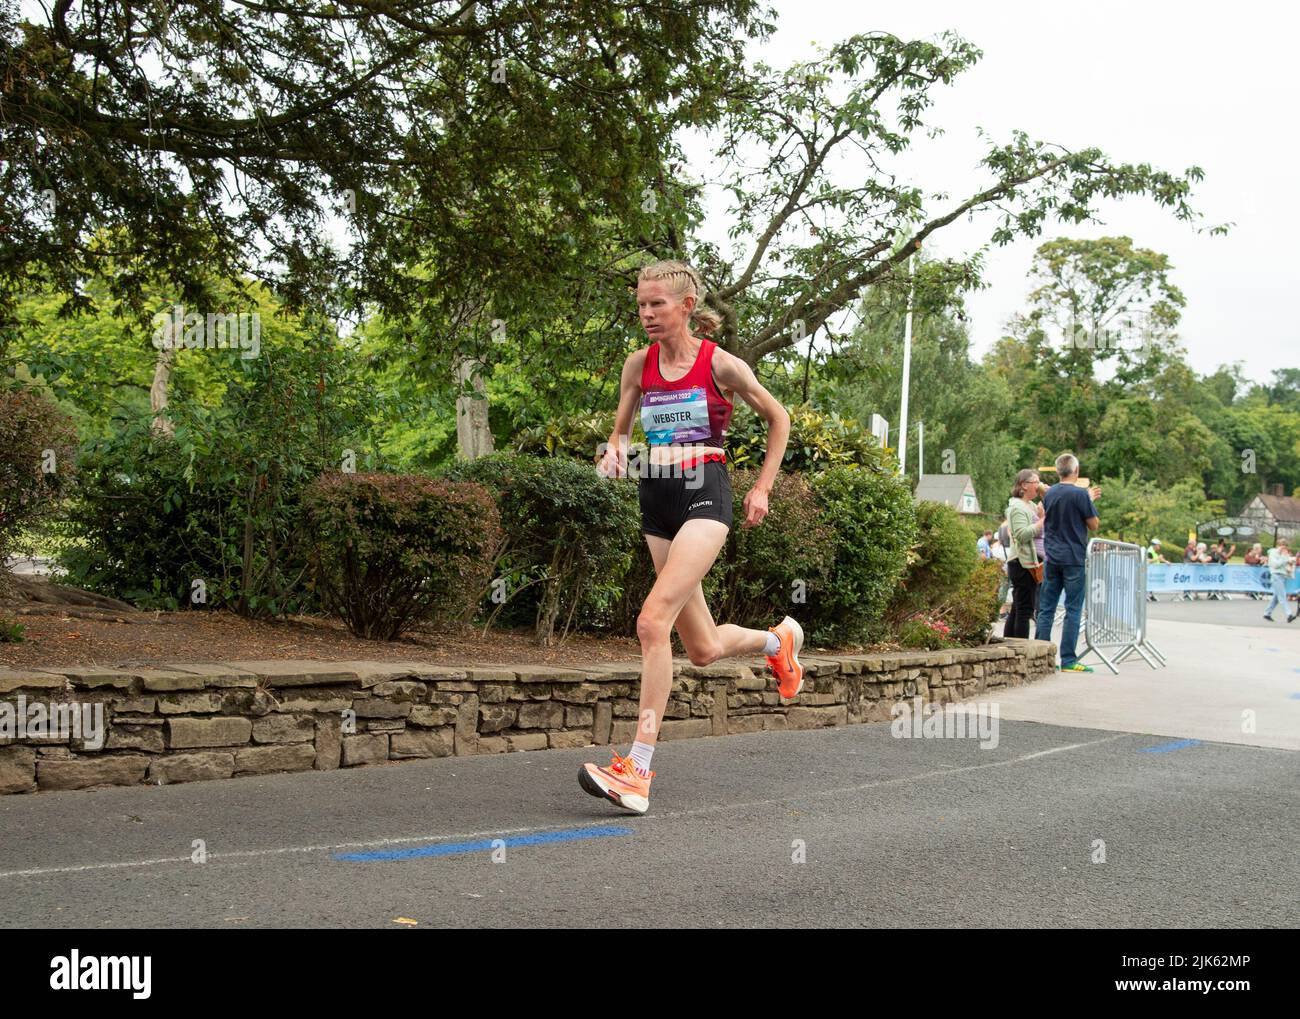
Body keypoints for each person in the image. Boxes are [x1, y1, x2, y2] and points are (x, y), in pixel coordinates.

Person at [580, 259, 802, 814]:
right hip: (655, 494)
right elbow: (621, 430)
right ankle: (779, 641)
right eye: (640, 304)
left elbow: (780, 418)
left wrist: (763, 488)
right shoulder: (639, 365)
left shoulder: (721, 364)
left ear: (686, 307)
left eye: (657, 304)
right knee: (701, 649)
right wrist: (614, 450)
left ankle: (637, 770)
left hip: (706, 490)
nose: (646, 314)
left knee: (652, 622)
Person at [1035, 453, 1099, 673]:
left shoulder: (1049, 494)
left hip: (1052, 557)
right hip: (1073, 558)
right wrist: (1089, 501)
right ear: (1076, 471)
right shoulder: (1081, 494)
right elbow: (1094, 524)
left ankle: (1040, 655)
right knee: (1073, 608)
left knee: (1047, 607)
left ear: (1058, 471)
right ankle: (1069, 659)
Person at [1005, 469, 1044, 639]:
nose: (1039, 485)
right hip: (1021, 563)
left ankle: (1009, 644)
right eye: (1036, 481)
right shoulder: (1017, 508)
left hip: (1028, 562)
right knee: (1024, 609)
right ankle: (1021, 648)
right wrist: (1043, 521)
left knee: (1017, 608)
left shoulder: (1031, 506)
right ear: (1024, 485)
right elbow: (1021, 535)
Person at [1264, 538, 1297, 623]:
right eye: (1282, 545)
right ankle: (1289, 614)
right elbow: (1275, 565)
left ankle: (1267, 613)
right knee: (1282, 596)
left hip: (1283, 576)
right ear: (1278, 545)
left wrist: (1291, 560)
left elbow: (1287, 564)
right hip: (1276, 575)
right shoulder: (1273, 553)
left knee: (1276, 597)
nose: (1284, 547)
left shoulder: (1285, 553)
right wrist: (1283, 557)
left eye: (1285, 546)